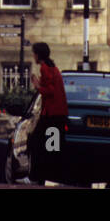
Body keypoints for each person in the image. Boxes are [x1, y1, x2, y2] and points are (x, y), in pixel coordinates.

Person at [29, 41, 68, 183]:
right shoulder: (51, 67)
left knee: (36, 142)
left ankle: (37, 176)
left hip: (52, 114)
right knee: (52, 147)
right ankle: (49, 176)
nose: (33, 56)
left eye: (34, 53)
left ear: (38, 54)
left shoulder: (45, 68)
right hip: (57, 114)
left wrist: (37, 85)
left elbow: (49, 91)